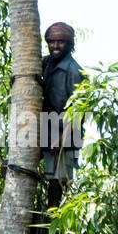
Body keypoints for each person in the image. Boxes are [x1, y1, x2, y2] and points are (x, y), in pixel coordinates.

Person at [41, 22, 85, 210]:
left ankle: (53, 228)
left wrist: (62, 137)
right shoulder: (47, 63)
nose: (56, 46)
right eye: (52, 42)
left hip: (64, 134)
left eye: (61, 42)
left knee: (57, 183)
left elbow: (79, 110)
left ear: (69, 45)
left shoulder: (74, 71)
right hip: (45, 127)